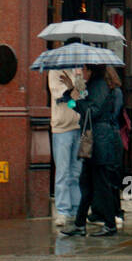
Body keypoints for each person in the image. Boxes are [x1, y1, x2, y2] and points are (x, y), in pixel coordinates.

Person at [59, 66, 124, 236]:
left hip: (100, 140)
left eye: (84, 69)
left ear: (91, 70)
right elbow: (77, 106)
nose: (82, 71)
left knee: (102, 184)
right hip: (91, 138)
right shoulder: (91, 85)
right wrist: (72, 92)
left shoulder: (99, 86)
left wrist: (77, 98)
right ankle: (80, 224)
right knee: (85, 183)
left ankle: (110, 224)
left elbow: (91, 111)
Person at [48, 66, 84, 228]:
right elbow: (61, 97)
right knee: (63, 171)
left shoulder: (79, 72)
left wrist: (76, 86)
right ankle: (62, 211)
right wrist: (73, 92)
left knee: (76, 172)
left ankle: (76, 209)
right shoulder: (55, 72)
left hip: (78, 125)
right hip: (61, 127)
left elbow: (83, 95)